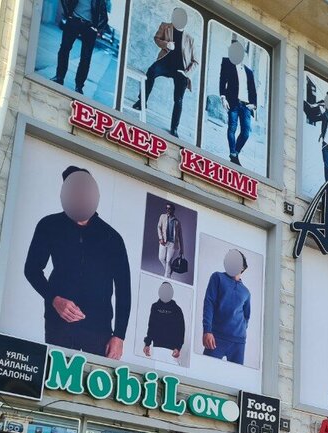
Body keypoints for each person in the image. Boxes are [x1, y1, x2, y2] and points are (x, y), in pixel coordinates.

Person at [24, 166, 131, 359]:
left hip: (99, 331)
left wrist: (119, 336)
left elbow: (124, 289)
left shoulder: (112, 238)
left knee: (94, 379)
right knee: (54, 377)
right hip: (59, 325)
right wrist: (54, 299)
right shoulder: (49, 226)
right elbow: (32, 269)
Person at [132, 7, 198, 137]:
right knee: (151, 72)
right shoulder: (165, 26)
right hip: (165, 63)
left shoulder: (190, 39)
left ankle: (174, 128)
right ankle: (142, 101)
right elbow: (156, 38)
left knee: (178, 99)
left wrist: (187, 73)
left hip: (180, 70)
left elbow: (195, 61)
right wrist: (166, 44)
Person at [202, 248, 251, 364]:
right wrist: (207, 330)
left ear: (243, 267)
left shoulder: (246, 292)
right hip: (216, 337)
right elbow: (209, 303)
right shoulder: (217, 277)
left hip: (238, 342)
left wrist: (240, 331)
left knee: (235, 375)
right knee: (205, 369)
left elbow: (246, 316)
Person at [52, 0, 109, 95]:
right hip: (74, 21)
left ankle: (79, 86)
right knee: (64, 49)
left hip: (89, 28)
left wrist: (96, 28)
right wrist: (68, 14)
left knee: (85, 59)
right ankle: (59, 77)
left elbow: (104, 17)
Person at [219, 40, 257, 166]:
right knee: (232, 128)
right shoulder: (227, 63)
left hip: (246, 106)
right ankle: (233, 154)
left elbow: (252, 90)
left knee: (245, 133)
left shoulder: (249, 71)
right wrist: (223, 98)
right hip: (233, 102)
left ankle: (235, 153)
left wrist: (254, 104)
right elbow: (222, 80)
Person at [143, 281, 186, 365]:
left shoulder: (177, 310)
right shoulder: (155, 307)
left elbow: (181, 330)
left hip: (171, 351)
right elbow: (151, 326)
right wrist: (147, 344)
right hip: (157, 348)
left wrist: (178, 347)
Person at [156, 202, 183, 278]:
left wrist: (182, 250)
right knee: (161, 258)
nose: (168, 210)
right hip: (163, 241)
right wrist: (160, 238)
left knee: (168, 261)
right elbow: (159, 227)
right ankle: (169, 271)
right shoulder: (162, 216)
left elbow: (180, 236)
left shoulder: (177, 222)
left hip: (172, 244)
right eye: (166, 208)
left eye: (169, 208)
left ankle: (166, 277)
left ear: (173, 210)